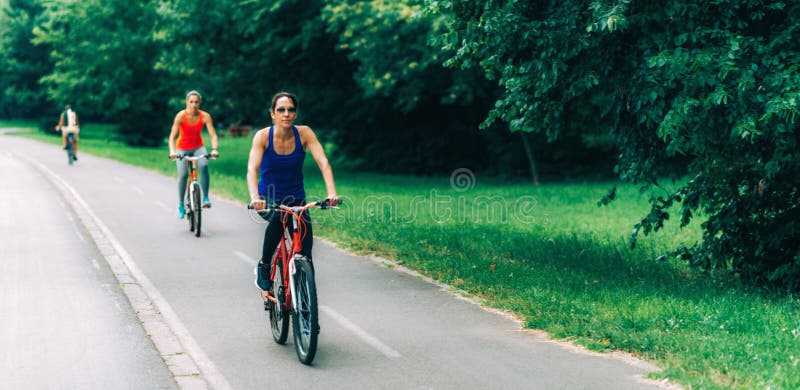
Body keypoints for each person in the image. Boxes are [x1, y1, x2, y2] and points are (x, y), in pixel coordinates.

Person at [248, 92, 339, 291]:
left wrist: (331, 193)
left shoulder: (305, 133)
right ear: (273, 114)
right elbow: (252, 169)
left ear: (296, 114)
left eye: (291, 110)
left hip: (296, 199)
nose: (286, 114)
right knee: (280, 218)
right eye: (281, 110)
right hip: (268, 198)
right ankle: (264, 265)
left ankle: (306, 304)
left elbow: (323, 163)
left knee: (306, 252)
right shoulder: (263, 136)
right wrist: (255, 198)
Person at [168, 90, 219, 218]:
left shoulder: (205, 116)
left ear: (199, 103)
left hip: (198, 147)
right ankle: (180, 204)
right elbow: (172, 137)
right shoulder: (180, 116)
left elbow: (213, 135)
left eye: (196, 102)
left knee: (204, 165)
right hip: (182, 148)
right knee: (183, 174)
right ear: (187, 102)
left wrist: (214, 149)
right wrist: (172, 152)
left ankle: (206, 198)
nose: (194, 104)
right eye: (191, 102)